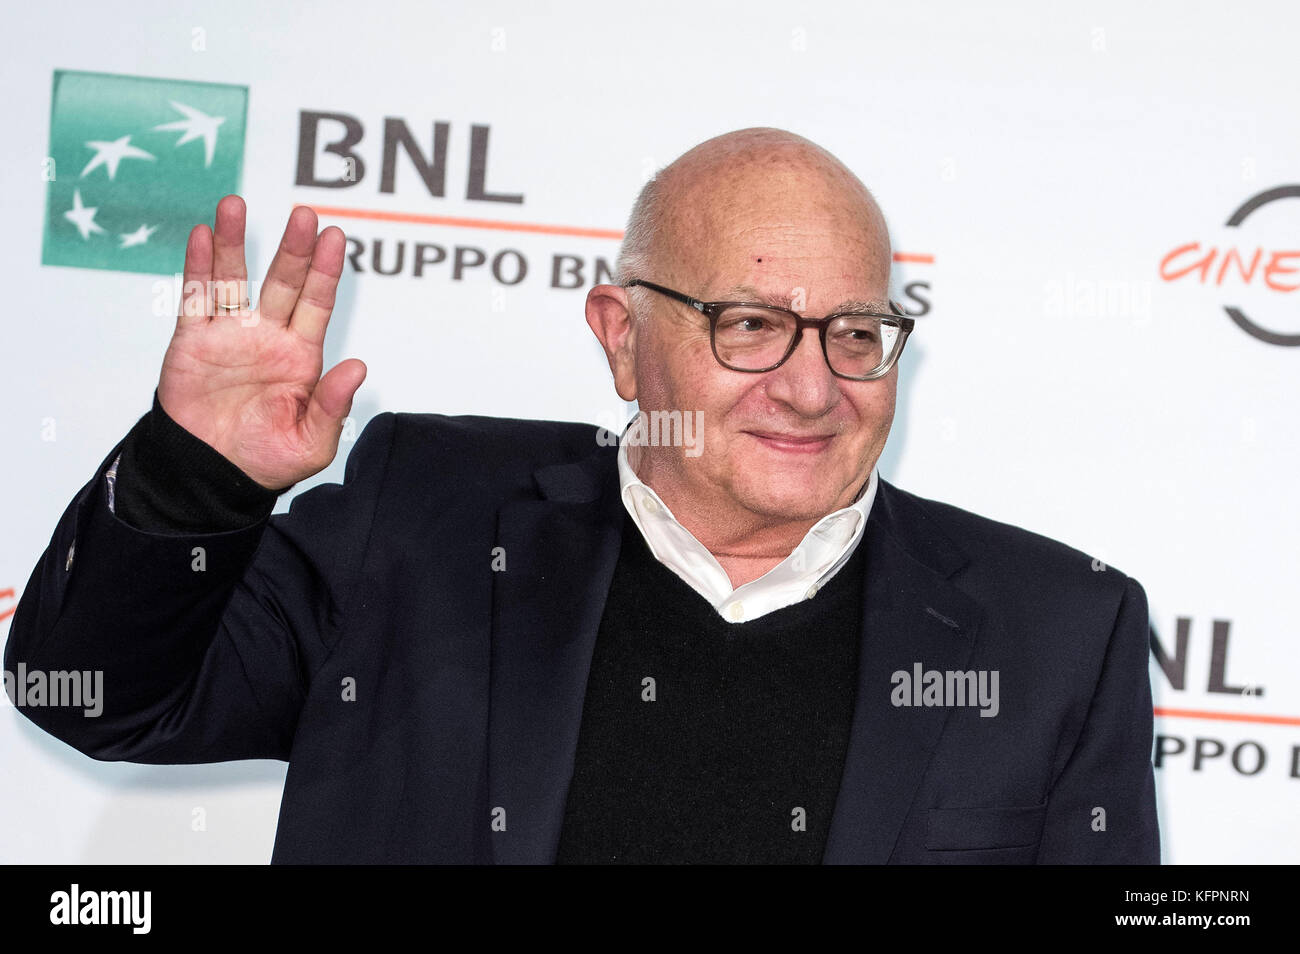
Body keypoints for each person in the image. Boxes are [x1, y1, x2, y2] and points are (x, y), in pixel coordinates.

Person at [5, 127, 1159, 864]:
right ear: (621, 339)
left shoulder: (1057, 628)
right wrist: (194, 475)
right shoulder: (424, 520)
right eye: (750, 326)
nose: (813, 388)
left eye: (855, 332)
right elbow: (100, 698)